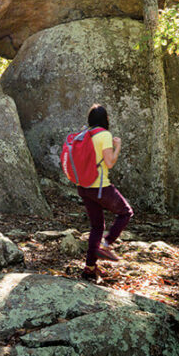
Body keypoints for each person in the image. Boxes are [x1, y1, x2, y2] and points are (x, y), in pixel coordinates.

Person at [77, 104, 133, 283]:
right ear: (105, 119)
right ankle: (105, 244)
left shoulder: (84, 134)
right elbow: (109, 163)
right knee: (125, 212)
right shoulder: (104, 135)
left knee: (97, 226)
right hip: (100, 186)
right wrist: (118, 146)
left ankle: (89, 268)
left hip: (83, 186)